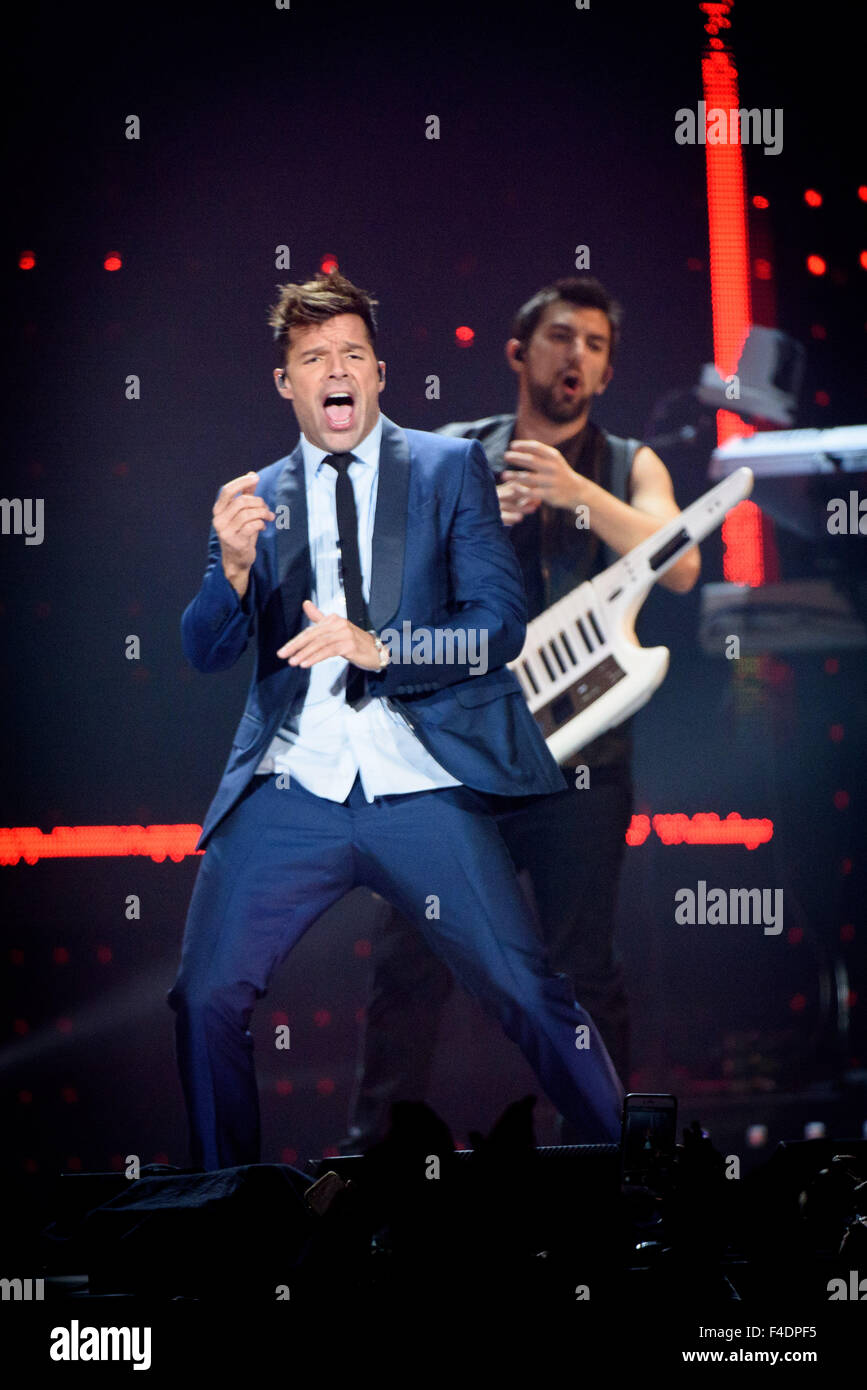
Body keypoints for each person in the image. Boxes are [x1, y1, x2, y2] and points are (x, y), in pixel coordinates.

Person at [167, 269, 625, 1171]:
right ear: (286, 383)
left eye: (350, 355)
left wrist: (383, 647)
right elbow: (204, 651)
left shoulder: (448, 469)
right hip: (292, 787)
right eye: (312, 359)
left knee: (527, 994)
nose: (333, 371)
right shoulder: (255, 496)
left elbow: (497, 632)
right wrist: (227, 568)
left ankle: (633, 1179)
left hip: (419, 781)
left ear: (378, 373)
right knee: (204, 996)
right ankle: (226, 1212)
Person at [341, 276, 700, 1152]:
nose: (575, 354)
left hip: (579, 763)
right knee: (410, 960)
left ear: (607, 372)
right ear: (518, 351)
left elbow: (680, 565)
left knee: (582, 970)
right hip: (456, 756)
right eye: (560, 336)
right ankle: (373, 1166)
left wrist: (579, 493)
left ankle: (598, 1160)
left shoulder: (627, 464)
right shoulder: (454, 450)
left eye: (594, 344)